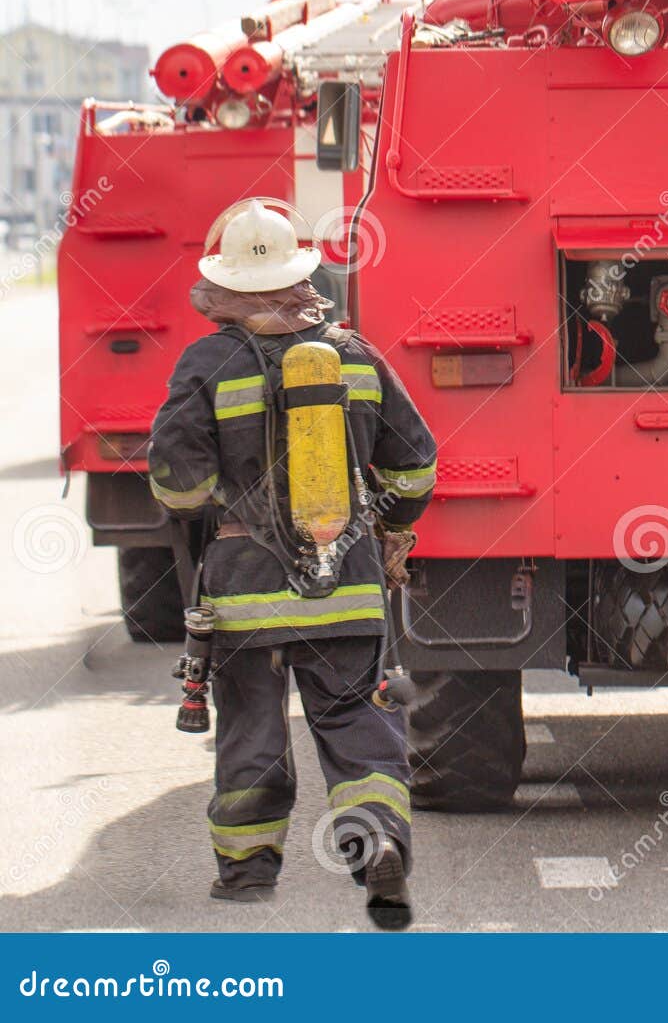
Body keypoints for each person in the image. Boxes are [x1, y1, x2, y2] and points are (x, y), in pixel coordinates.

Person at [148, 200, 437, 927]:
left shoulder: (205, 363)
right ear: (298, 278)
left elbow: (175, 484)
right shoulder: (357, 354)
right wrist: (394, 531)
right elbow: (415, 465)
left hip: (247, 594)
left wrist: (223, 504)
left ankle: (246, 872)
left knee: (251, 724)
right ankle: (376, 842)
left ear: (225, 290)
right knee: (356, 721)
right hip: (348, 581)